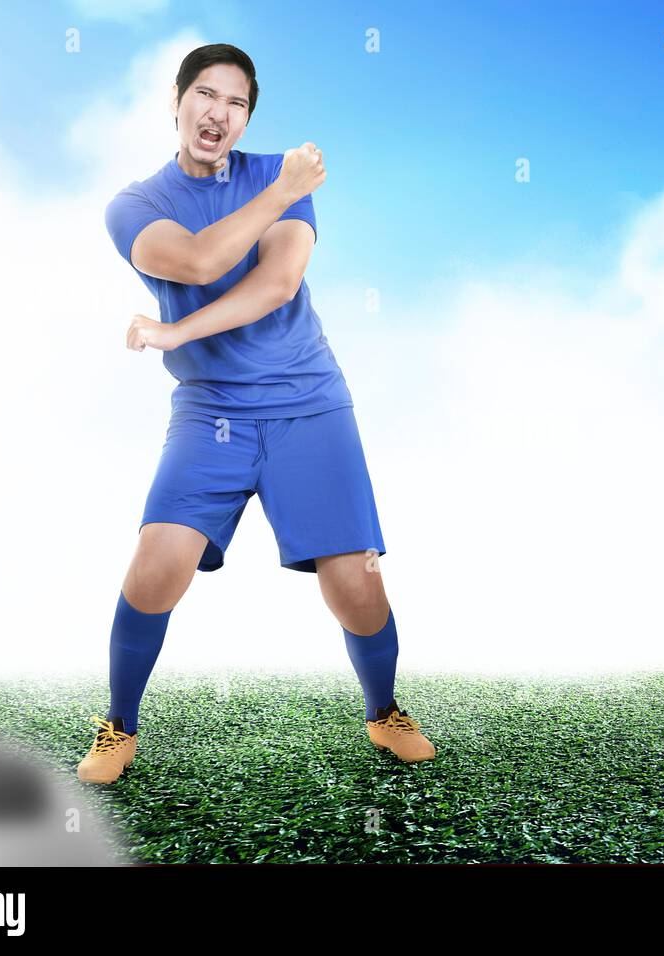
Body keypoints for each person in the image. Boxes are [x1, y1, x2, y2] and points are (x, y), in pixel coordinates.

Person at [78, 43, 434, 785]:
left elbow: (276, 284)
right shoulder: (135, 207)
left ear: (247, 118)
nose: (218, 113)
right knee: (156, 565)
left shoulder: (279, 173)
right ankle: (120, 723)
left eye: (236, 103)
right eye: (205, 95)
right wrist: (278, 192)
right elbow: (202, 261)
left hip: (309, 402)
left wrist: (176, 330)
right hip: (212, 410)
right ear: (176, 102)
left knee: (356, 580)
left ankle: (383, 710)